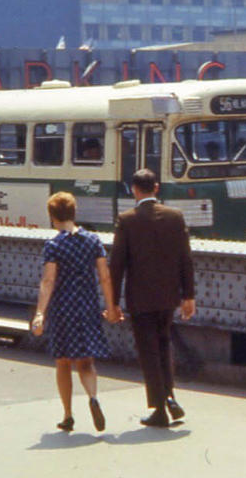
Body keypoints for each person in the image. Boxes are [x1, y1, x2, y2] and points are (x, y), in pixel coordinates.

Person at [107, 168, 196, 427]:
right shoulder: (175, 217)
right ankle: (169, 397)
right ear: (156, 187)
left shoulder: (127, 220)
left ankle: (160, 407)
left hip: (141, 298)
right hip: (169, 297)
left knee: (148, 351)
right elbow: (185, 260)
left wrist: (113, 303)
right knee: (164, 346)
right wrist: (188, 295)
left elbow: (118, 265)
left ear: (134, 190)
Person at [32, 192, 118, 432]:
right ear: (73, 213)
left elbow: (48, 281)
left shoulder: (54, 245)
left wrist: (40, 313)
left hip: (63, 308)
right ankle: (92, 396)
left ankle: (68, 414)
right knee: (86, 361)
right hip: (88, 305)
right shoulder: (93, 240)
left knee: (63, 362)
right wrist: (110, 307)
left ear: (52, 217)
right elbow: (104, 276)